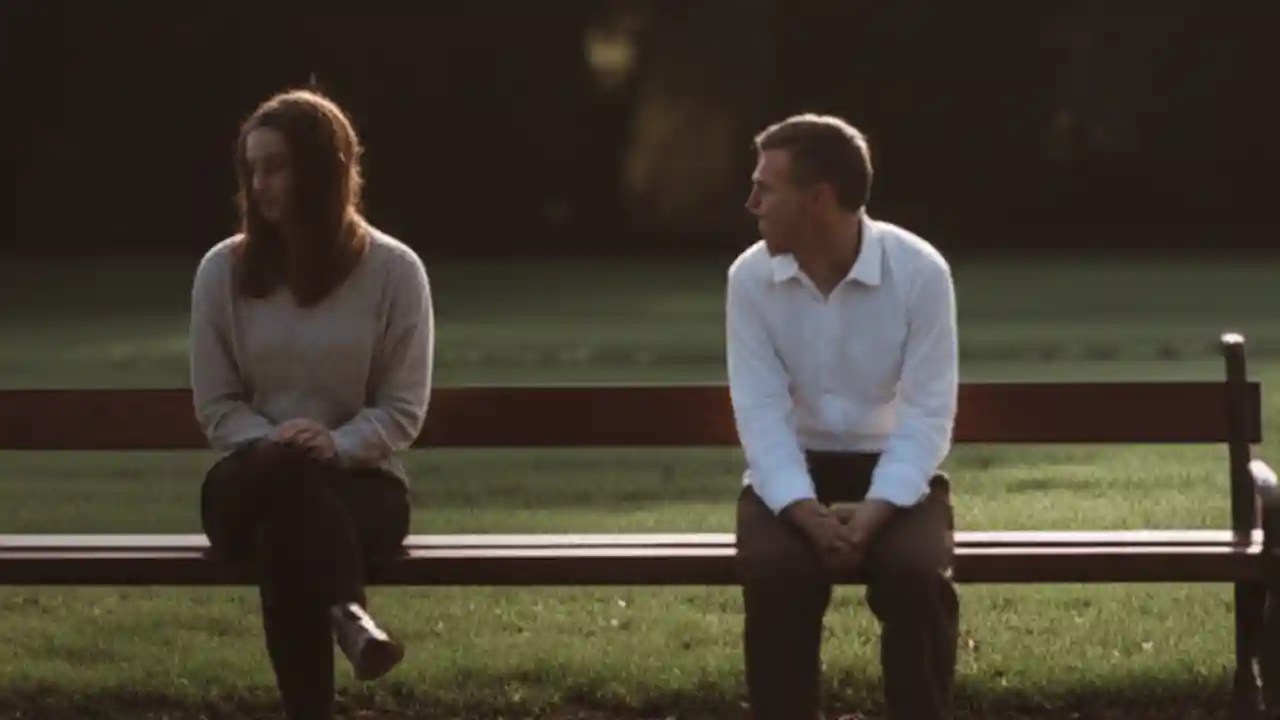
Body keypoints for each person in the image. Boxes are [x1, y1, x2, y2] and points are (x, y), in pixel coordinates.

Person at [189, 88, 434, 719]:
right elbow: (217, 406)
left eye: (275, 167)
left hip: (362, 487)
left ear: (324, 172)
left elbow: (402, 408)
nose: (259, 185)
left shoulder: (395, 272)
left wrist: (335, 443)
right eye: (252, 169)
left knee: (287, 534)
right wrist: (280, 444)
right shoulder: (221, 271)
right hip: (249, 478)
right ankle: (347, 613)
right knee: (286, 480)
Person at [728, 113, 959, 719]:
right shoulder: (750, 278)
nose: (751, 204)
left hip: (896, 475)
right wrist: (803, 511)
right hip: (789, 476)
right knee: (778, 576)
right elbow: (760, 416)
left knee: (914, 577)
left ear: (818, 198)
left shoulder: (920, 272)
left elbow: (928, 414)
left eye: (765, 189)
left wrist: (877, 510)